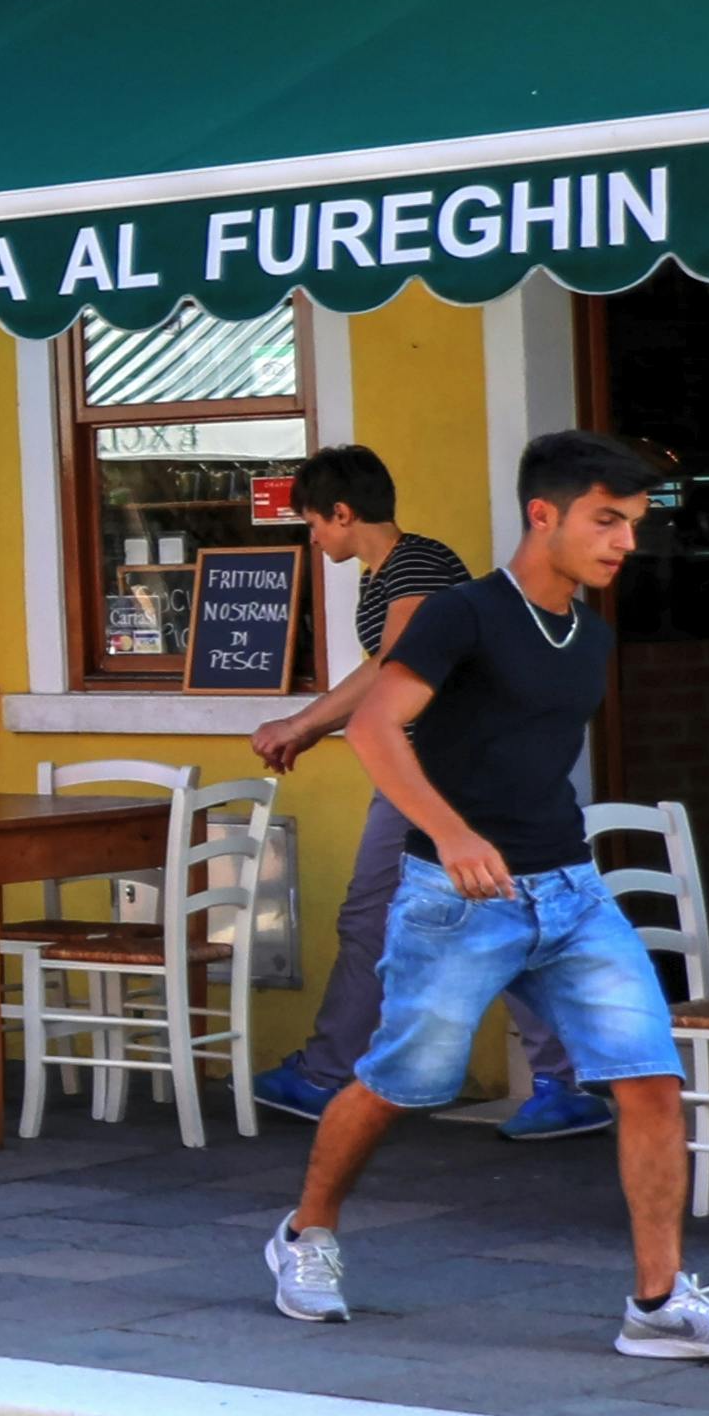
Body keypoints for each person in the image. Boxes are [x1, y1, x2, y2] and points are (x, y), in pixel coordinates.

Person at [264, 431, 709, 1362]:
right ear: (543, 515)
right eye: (607, 520)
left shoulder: (591, 634)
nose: (625, 542)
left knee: (650, 1079)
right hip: (456, 899)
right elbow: (376, 728)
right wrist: (453, 833)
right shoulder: (460, 615)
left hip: (571, 892)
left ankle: (658, 1304)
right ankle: (306, 1233)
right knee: (400, 1084)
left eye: (634, 524)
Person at [247, 448, 484, 1124]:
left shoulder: (418, 565)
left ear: (343, 513)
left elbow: (393, 664)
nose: (313, 539)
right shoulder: (387, 573)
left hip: (433, 766)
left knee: (375, 916)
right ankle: (561, 1080)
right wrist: (313, 728)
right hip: (432, 762)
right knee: (492, 914)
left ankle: (329, 1073)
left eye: (313, 524)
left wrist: (300, 723)